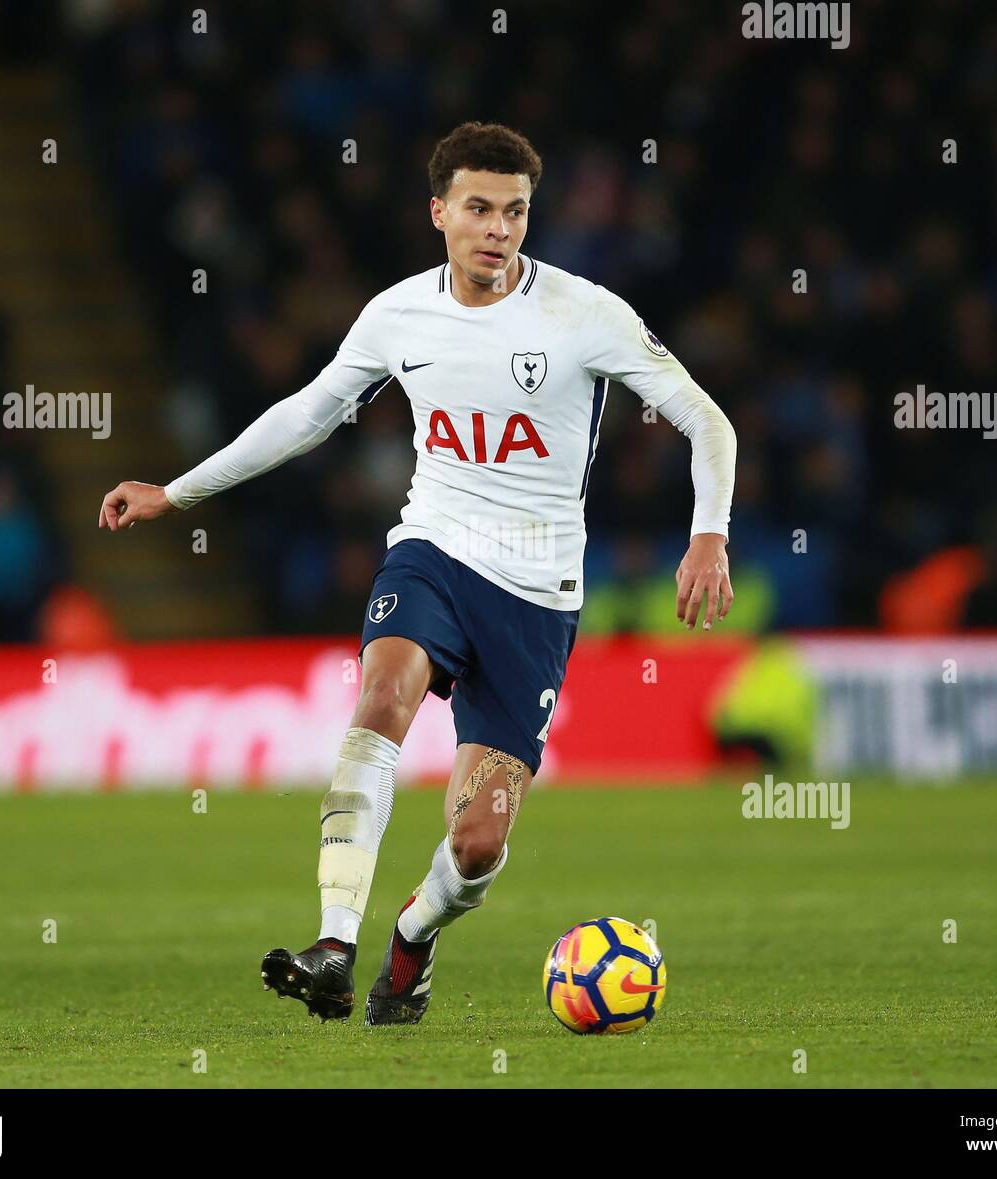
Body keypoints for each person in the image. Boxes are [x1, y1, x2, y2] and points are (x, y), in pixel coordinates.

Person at [98, 121, 736, 1026]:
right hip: (432, 551)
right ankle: (333, 941)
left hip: (536, 596)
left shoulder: (584, 313)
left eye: (515, 212)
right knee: (382, 699)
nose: (498, 230)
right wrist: (179, 492)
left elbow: (708, 420)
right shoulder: (397, 316)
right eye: (478, 209)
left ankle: (413, 938)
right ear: (438, 212)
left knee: (476, 841)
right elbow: (304, 414)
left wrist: (708, 533)